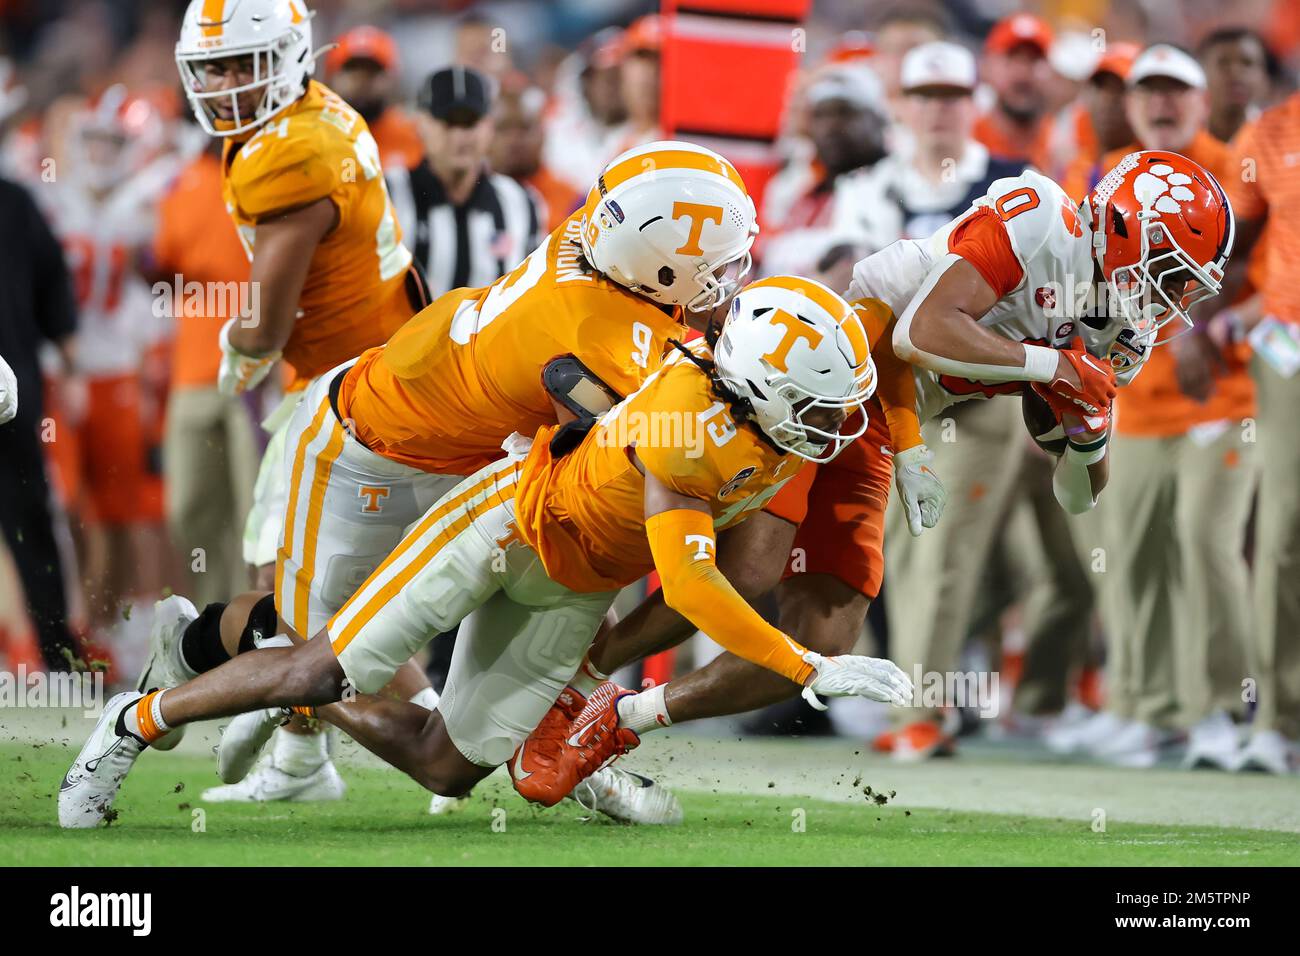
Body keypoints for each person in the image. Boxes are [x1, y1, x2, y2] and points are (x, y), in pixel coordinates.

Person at [58, 275, 913, 829]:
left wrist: (905, 446)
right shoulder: (689, 426)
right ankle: (133, 722)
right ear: (759, 386)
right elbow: (690, 580)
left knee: (446, 768)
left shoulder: (769, 423)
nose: (836, 424)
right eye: (819, 403)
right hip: (503, 530)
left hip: (573, 587)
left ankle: (272, 655)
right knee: (321, 669)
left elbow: (734, 565)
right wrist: (804, 667)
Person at [520, 148, 1236, 790]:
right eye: (1170, 272)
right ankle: (570, 680)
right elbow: (923, 330)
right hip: (826, 370)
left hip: (891, 423)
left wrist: (1088, 440)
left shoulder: (1115, 324)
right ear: (1120, 229)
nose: (1172, 301)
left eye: (1186, 287)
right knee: (745, 572)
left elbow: (1077, 497)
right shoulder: (1041, 217)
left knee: (825, 639)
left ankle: (621, 718)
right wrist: (1052, 366)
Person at [131, 140, 759, 818]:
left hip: (470, 449)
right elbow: (633, 452)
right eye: (715, 258)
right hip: (370, 450)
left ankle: (558, 750)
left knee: (560, 585)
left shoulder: (599, 243)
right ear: (658, 264)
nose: (730, 271)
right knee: (315, 652)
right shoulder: (605, 337)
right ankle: (201, 656)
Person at [169, 0, 430, 800]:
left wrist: (239, 351)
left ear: (288, 55)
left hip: (351, 387)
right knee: (303, 584)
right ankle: (302, 754)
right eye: (210, 67)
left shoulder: (290, 154)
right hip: (372, 365)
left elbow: (265, 320)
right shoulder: (314, 116)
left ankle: (434, 731)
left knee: (300, 591)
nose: (223, 84)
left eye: (240, 64)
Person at [1050, 46, 1256, 769]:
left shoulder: (1231, 170)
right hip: (1132, 404)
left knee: (1204, 547)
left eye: (1176, 91)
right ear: (1131, 104)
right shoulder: (1103, 177)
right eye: (1149, 92)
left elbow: (1261, 271)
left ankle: (1224, 710)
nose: (1161, 105)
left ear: (1201, 102)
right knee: (1129, 560)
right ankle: (1147, 704)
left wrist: (1207, 327)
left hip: (1221, 401)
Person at [1196, 74, 1300, 775]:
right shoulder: (1273, 131)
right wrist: (1212, 319)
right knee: (1287, 532)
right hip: (1290, 346)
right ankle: (1282, 717)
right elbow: (1225, 238)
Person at [151, 134, 259, 609]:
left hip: (262, 367)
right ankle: (216, 624)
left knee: (254, 512)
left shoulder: (275, 161)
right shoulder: (180, 178)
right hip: (195, 367)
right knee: (188, 507)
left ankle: (251, 626)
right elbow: (161, 264)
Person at [0, 173, 78, 672]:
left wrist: (71, 363)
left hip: (11, 394)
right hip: (16, 383)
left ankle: (56, 653)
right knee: (30, 524)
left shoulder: (14, 201)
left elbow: (54, 278)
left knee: (29, 522)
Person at [385, 66, 543, 300]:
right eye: (447, 122)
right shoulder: (388, 194)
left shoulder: (522, 203)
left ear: (489, 126)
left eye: (470, 122)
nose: (460, 136)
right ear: (420, 124)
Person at [760, 61, 889, 277]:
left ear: (877, 120)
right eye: (821, 115)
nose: (830, 127)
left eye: (845, 112)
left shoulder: (901, 186)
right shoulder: (790, 188)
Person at [324, 25, 423, 171]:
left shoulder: (414, 136)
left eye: (372, 72)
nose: (362, 82)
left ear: (392, 79)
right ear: (331, 78)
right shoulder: (315, 135)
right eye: (353, 71)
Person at [491, 83, 578, 233]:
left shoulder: (572, 201)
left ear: (543, 133)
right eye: (503, 128)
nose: (514, 139)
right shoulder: (467, 196)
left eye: (524, 128)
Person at [974, 13, 1055, 165]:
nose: (1023, 73)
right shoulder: (967, 141)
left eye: (1034, 60)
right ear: (986, 67)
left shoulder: (1064, 146)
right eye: (1011, 58)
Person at [1198, 28, 1272, 145]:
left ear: (1264, 77)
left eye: (1247, 63)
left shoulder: (1281, 139)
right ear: (1200, 73)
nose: (1235, 72)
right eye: (1223, 63)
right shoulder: (1181, 138)